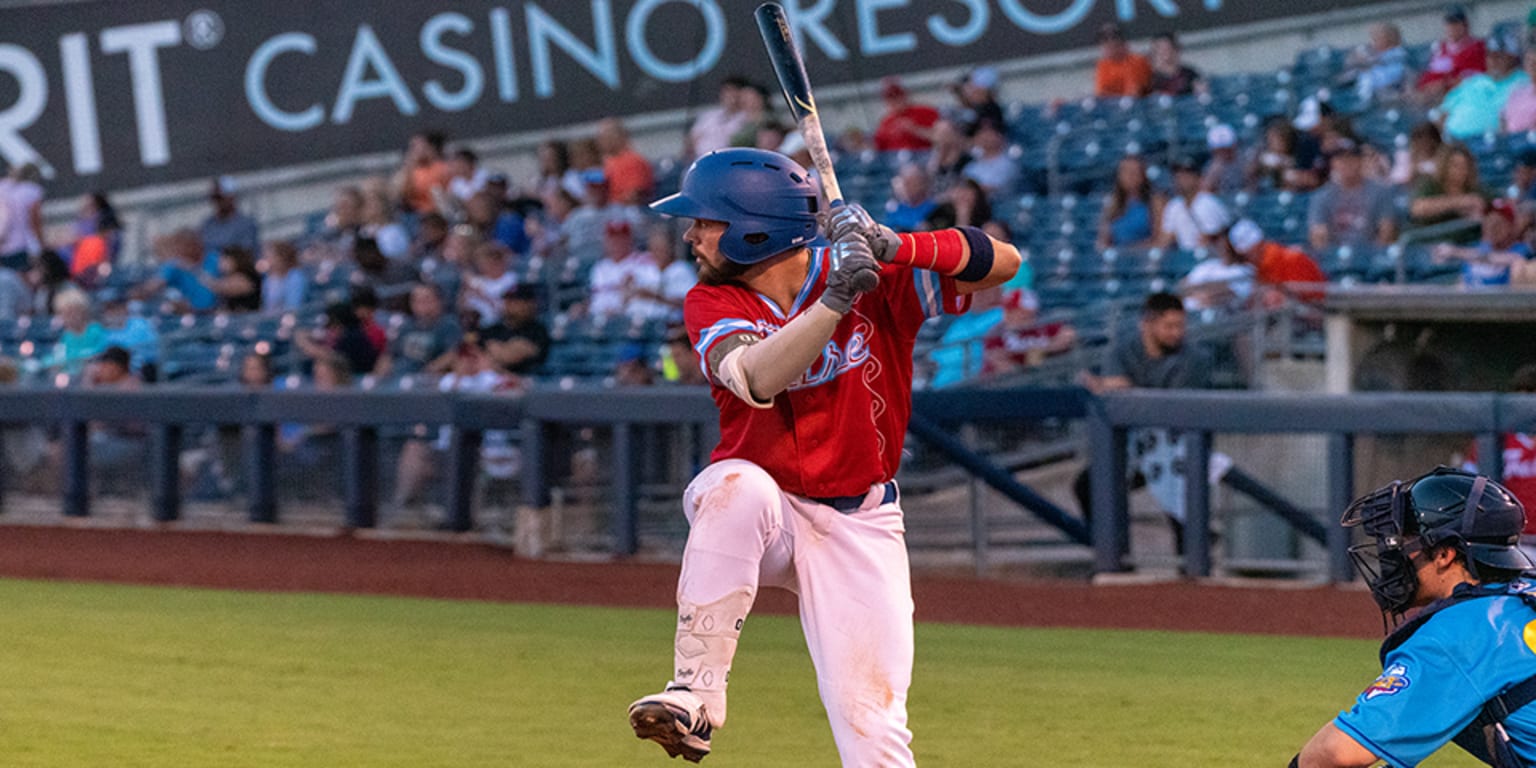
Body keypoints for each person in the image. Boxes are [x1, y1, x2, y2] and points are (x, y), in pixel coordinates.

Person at [626, 147, 1019, 765]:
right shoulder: (712, 300)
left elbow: (1003, 263)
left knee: (875, 728)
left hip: (859, 522)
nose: (692, 235)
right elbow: (758, 377)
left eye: (706, 221)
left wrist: (894, 245)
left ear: (755, 228)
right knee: (733, 485)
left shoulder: (874, 276)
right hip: (770, 515)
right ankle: (695, 695)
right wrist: (834, 301)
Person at [1292, 467, 1535, 768]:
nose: (1392, 557)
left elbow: (1332, 756)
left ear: (1444, 554)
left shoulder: (1459, 633)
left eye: (1404, 544)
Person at [1307, 140, 1399, 251]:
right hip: (1333, 257)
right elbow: (1317, 233)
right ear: (1333, 163)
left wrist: (1375, 258)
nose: (1347, 164)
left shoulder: (1380, 191)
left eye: (1351, 159)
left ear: (1360, 161)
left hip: (1370, 256)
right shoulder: (1322, 196)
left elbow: (1387, 230)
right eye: (1341, 159)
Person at [1438, 28, 1528, 140]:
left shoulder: (1525, 81)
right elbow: (1443, 113)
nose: (1492, 61)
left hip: (1495, 144)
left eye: (1498, 56)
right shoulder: (1473, 81)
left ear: (1513, 57)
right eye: (1489, 55)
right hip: (1453, 144)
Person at [1222, 219, 1327, 307]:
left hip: (1313, 314)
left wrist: (1281, 297)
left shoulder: (1290, 258)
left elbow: (1313, 297)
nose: (1247, 256)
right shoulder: (1260, 267)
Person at [1433, 199, 1533, 286]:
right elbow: (1462, 284)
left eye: (1498, 223)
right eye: (1488, 222)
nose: (1492, 228)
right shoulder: (1477, 249)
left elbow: (1510, 259)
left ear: (1510, 227)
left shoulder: (1522, 250)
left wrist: (1456, 252)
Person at [375, 282, 462, 378]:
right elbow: (388, 355)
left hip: (427, 381)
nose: (421, 304)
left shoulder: (448, 325)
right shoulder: (406, 326)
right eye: (416, 300)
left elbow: (453, 354)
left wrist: (429, 371)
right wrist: (378, 378)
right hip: (398, 379)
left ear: (438, 301)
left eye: (426, 299)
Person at [1410, 142, 1490, 244]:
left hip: (1467, 244)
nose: (1460, 171)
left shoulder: (1475, 189)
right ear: (1445, 166)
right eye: (1455, 165)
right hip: (1432, 244)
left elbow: (1489, 206)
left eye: (1464, 166)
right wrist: (1461, 202)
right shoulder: (1431, 185)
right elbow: (1418, 209)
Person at [1415, 5, 1487, 102]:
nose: (1452, 28)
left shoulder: (1478, 47)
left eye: (1456, 23)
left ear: (1466, 25)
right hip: (1433, 96)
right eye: (1449, 24)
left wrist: (1445, 84)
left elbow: (1477, 77)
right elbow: (1429, 75)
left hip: (1463, 95)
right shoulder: (1439, 48)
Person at [1157, 158, 1230, 251]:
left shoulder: (1209, 203)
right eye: (1178, 175)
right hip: (1185, 258)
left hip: (1211, 257)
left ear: (1198, 178)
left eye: (1186, 174)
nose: (1181, 179)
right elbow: (1165, 240)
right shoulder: (1173, 205)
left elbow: (1210, 240)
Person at [1098, 155, 1165, 249]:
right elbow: (1103, 240)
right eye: (1126, 172)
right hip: (1119, 258)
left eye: (1135, 172)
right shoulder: (1112, 203)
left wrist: (1129, 251)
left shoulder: (1155, 201)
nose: (1130, 176)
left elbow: (1160, 240)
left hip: (1144, 255)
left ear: (1143, 176)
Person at [481, 284, 550, 376]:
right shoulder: (492, 329)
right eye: (507, 300)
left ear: (529, 304)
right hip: (488, 384)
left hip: (527, 384)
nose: (509, 305)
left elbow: (509, 357)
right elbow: (471, 358)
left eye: (516, 301)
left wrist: (493, 353)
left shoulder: (538, 330)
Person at [1342, 22, 1409, 103]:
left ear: (1390, 39)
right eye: (1374, 39)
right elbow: (1352, 62)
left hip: (1387, 86)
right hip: (1370, 87)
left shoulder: (1397, 52)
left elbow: (1378, 63)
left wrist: (1365, 61)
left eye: (1377, 38)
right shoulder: (1375, 52)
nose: (1373, 42)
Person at [872, 76, 940, 152]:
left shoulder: (926, 111)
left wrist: (916, 130)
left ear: (905, 95)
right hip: (896, 160)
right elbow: (878, 150)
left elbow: (944, 139)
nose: (895, 100)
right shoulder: (885, 122)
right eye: (890, 97)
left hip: (924, 158)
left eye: (898, 95)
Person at [688, 76, 750, 159]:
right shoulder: (710, 115)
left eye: (732, 91)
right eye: (726, 91)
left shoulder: (746, 117)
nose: (728, 95)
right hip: (700, 160)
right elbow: (692, 139)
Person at [396, 130, 452, 215]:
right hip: (416, 215)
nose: (414, 151)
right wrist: (408, 167)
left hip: (440, 214)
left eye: (417, 146)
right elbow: (401, 195)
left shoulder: (444, 168)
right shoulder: (413, 171)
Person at [0, 162, 44, 271]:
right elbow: (35, 222)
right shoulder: (32, 191)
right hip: (22, 246)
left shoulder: (2, 187)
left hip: (3, 245)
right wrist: (42, 245)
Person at [200, 177, 260, 255]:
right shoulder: (207, 225)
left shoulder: (246, 225)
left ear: (232, 197)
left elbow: (245, 253)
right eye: (214, 198)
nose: (217, 202)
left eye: (220, 198)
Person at [1094, 23, 1152, 98]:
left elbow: (1135, 93)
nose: (1109, 43)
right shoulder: (1102, 65)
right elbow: (1101, 95)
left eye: (1114, 38)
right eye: (1105, 40)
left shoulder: (1137, 61)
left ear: (1123, 43)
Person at [882, 163, 940, 232]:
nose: (907, 188)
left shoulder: (934, 207)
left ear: (923, 184)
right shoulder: (895, 207)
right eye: (905, 183)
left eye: (913, 183)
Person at [1202, 124, 1246, 196]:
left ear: (1234, 146)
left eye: (1227, 149)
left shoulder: (1244, 161)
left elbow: (1251, 187)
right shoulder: (1209, 167)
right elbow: (1203, 194)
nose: (1224, 153)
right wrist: (1214, 172)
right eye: (1219, 150)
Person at [1505, 48, 1536, 133]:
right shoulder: (1517, 93)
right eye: (1529, 61)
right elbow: (1505, 121)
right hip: (1514, 141)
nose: (1532, 65)